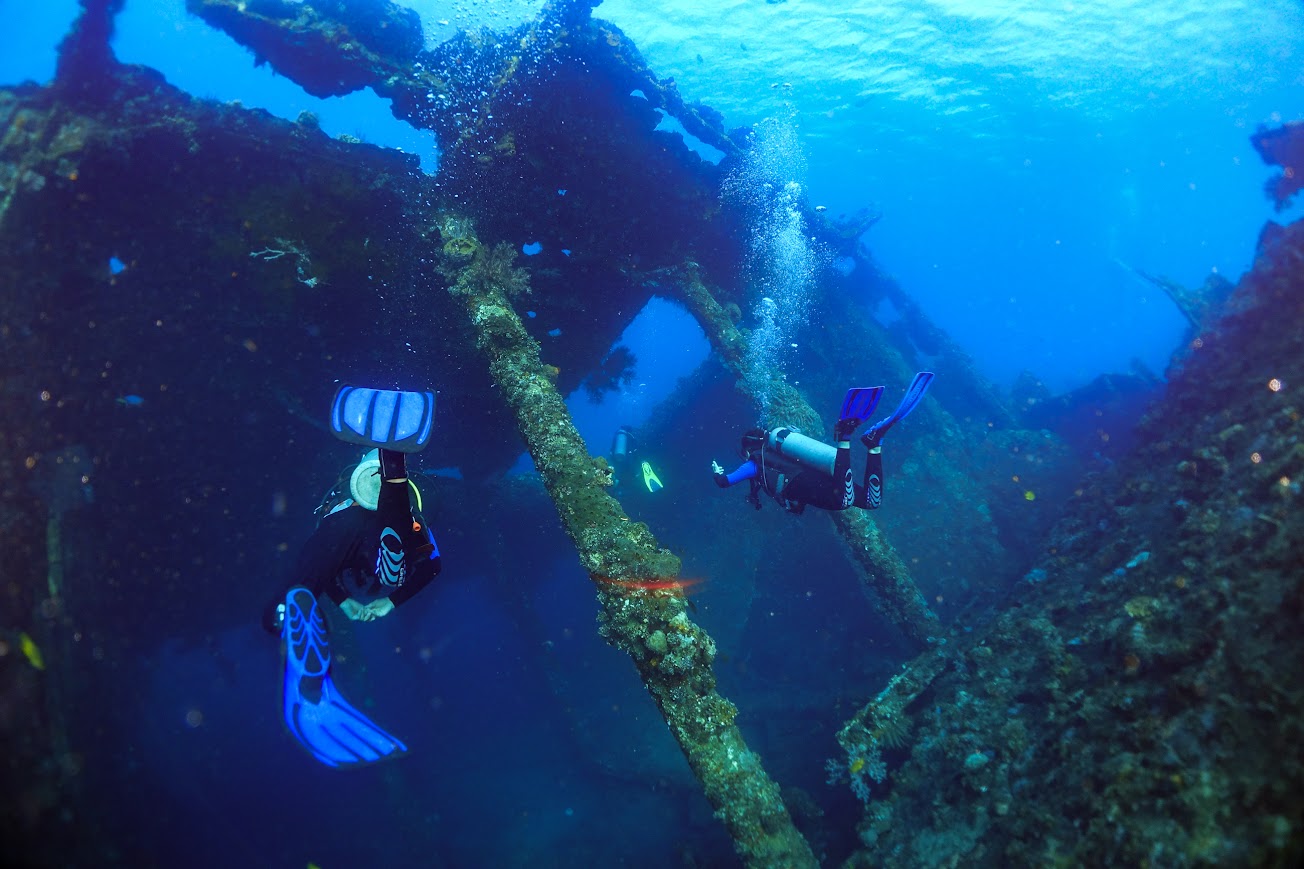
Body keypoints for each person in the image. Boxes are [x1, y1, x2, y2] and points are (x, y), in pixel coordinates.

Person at [264, 385, 441, 768]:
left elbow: (319, 575)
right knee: (305, 581)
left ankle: (282, 620)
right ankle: (282, 621)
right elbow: (432, 565)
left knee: (303, 581)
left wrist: (373, 602)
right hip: (364, 549)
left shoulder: (400, 521)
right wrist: (379, 602)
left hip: (365, 553)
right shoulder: (355, 522)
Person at [712, 373, 933, 514]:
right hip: (818, 480)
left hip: (824, 489)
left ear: (748, 447)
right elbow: (798, 504)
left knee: (846, 499)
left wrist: (716, 471)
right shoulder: (777, 457)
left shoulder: (753, 464)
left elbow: (725, 482)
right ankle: (874, 444)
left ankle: (845, 436)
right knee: (871, 501)